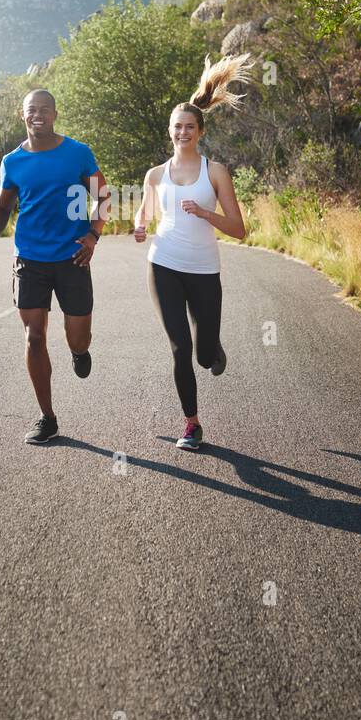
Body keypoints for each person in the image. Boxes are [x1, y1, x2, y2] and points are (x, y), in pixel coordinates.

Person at [0, 88, 107, 444]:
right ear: (23, 115)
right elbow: (3, 206)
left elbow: (103, 196)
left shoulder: (78, 153)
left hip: (73, 257)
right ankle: (47, 417)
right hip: (29, 259)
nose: (38, 115)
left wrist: (93, 235)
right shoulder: (12, 161)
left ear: (55, 114)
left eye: (45, 109)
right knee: (34, 337)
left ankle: (79, 351)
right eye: (32, 110)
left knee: (78, 336)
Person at [134, 55, 251, 451]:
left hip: (204, 270)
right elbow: (145, 212)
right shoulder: (155, 174)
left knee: (202, 356)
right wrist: (139, 226)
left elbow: (238, 229)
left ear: (200, 131)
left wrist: (205, 213)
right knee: (179, 348)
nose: (182, 132)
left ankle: (212, 347)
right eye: (177, 127)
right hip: (163, 265)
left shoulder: (215, 172)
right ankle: (192, 424)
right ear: (170, 131)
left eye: (189, 127)